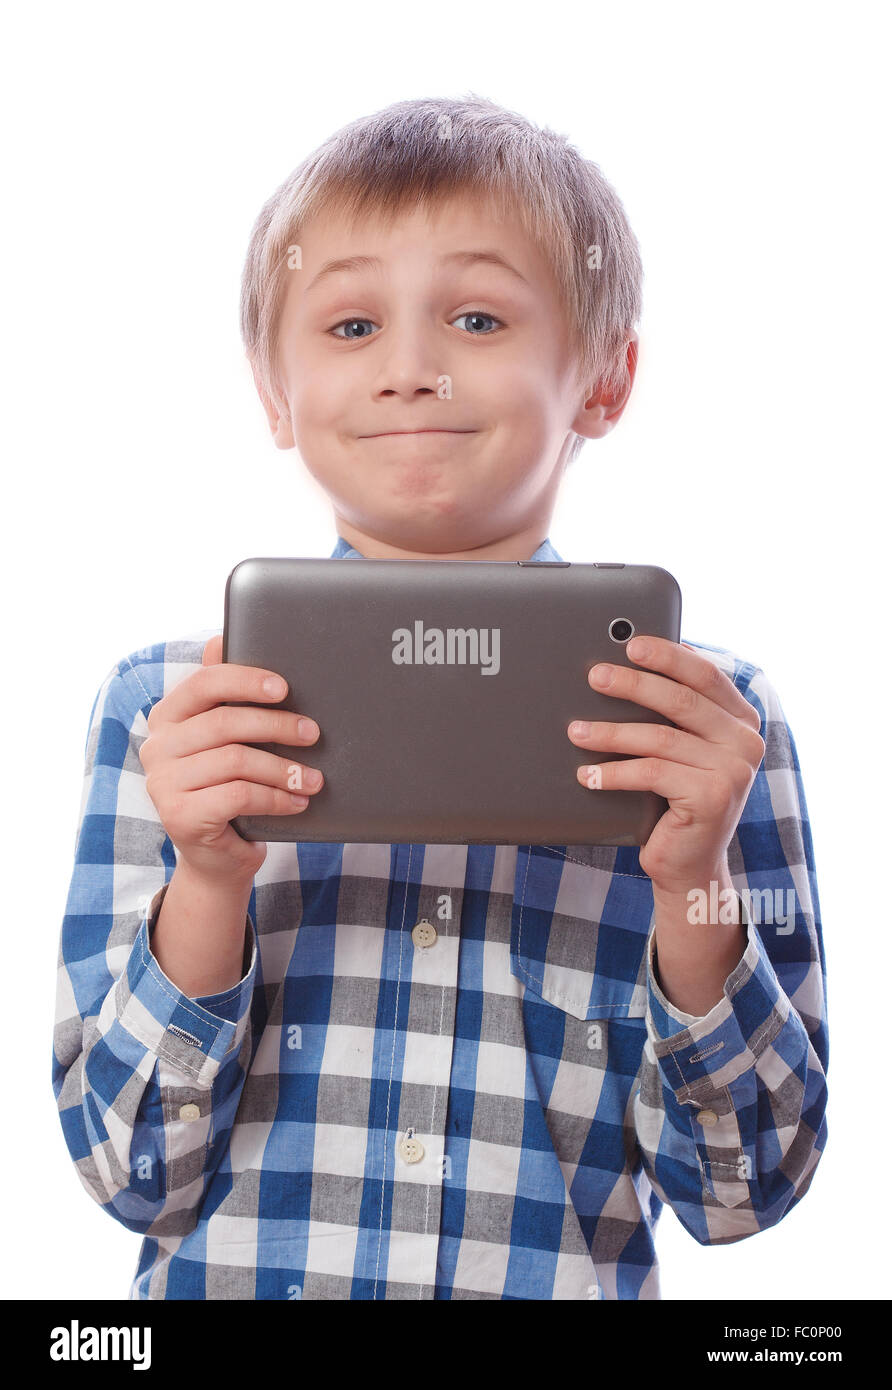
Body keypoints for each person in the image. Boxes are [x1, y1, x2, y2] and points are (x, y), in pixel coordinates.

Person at [52, 94, 828, 1301]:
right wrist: (207, 880)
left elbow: (746, 1190)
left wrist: (695, 891)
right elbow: (129, 1170)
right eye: (351, 322)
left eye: (475, 316)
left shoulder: (712, 727)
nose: (410, 369)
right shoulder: (172, 710)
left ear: (605, 379)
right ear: (274, 392)